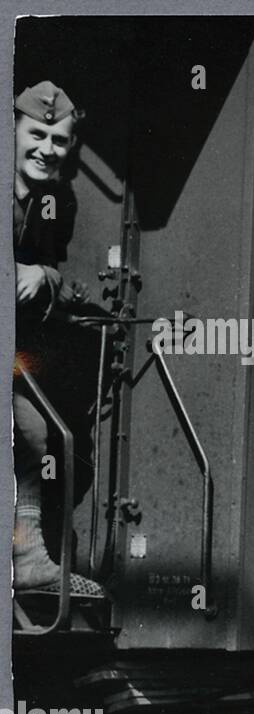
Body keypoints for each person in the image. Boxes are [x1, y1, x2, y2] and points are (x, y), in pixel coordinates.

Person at [12, 80, 102, 597]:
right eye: (37, 134)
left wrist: (45, 275)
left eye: (59, 140)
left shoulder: (53, 202)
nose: (47, 148)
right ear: (14, 130)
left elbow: (54, 273)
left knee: (40, 434)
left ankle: (27, 557)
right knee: (26, 433)